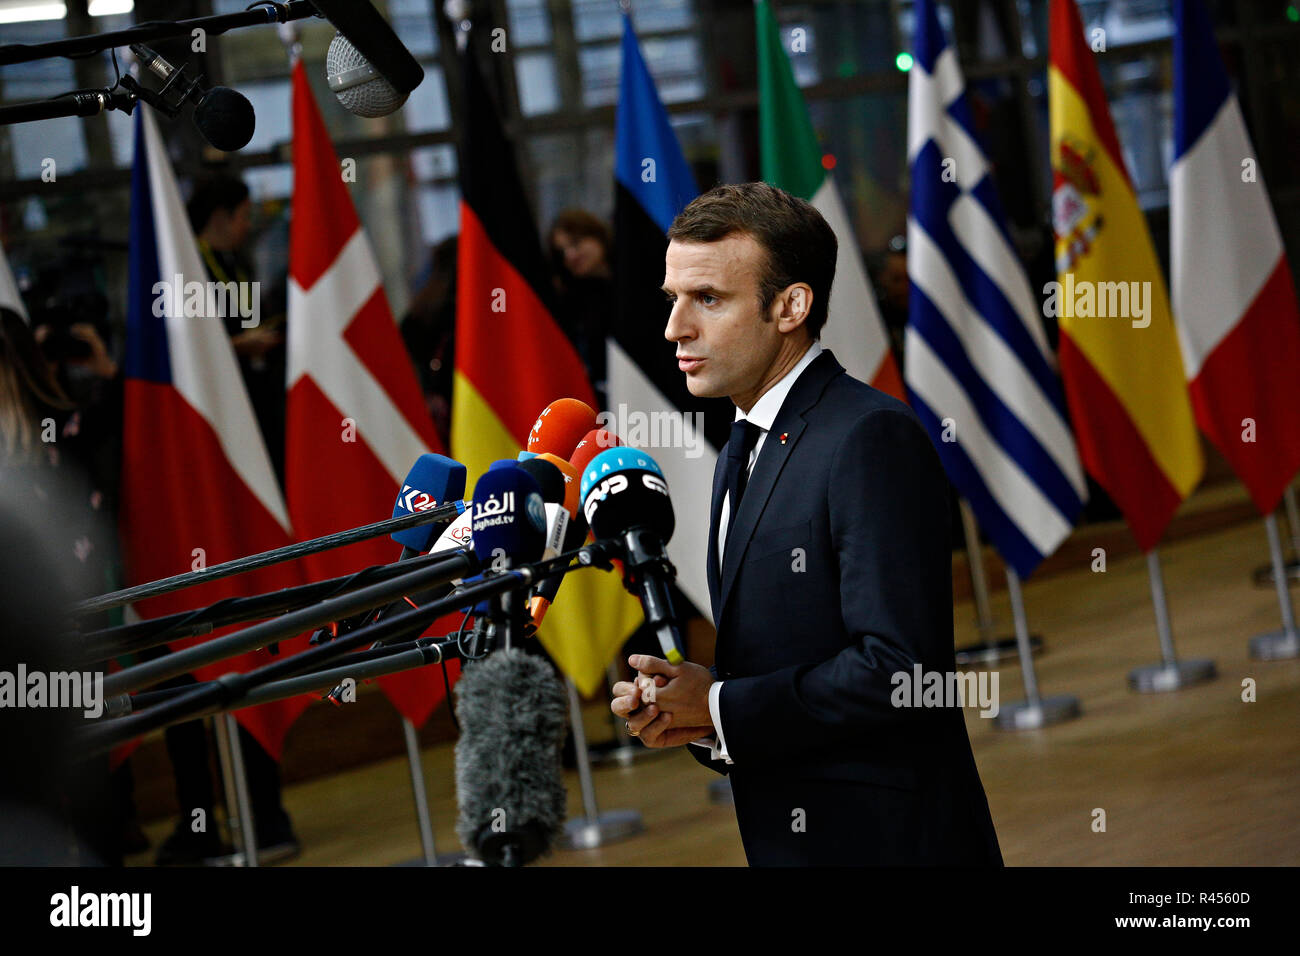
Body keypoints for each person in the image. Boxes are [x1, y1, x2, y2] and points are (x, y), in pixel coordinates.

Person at [609, 182, 1002, 866]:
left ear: (790, 305)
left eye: (707, 299)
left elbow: (901, 672)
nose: (675, 327)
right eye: (673, 298)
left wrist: (724, 704)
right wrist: (701, 716)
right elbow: (788, 659)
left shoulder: (868, 436)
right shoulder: (743, 444)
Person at [547, 209, 613, 403]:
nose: (570, 255)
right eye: (562, 252)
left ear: (596, 235)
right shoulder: (571, 302)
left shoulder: (633, 281)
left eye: (575, 244)